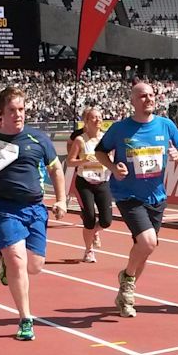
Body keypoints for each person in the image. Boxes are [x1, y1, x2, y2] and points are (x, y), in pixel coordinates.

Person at [0, 87, 67, 342]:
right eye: (12, 110)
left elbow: (56, 170)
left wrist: (61, 199)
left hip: (35, 208)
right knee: (17, 260)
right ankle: (25, 319)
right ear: (1, 113)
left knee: (35, 266)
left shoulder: (38, 139)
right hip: (4, 209)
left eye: (21, 109)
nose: (18, 114)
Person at [95, 81, 178, 318]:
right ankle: (127, 279)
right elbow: (100, 151)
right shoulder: (120, 128)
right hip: (128, 194)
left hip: (156, 195)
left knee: (145, 249)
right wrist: (113, 168)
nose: (148, 99)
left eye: (151, 95)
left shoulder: (166, 125)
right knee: (147, 242)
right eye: (143, 96)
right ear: (133, 101)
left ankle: (126, 293)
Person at [66, 106, 112, 263]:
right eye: (94, 117)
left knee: (106, 221)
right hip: (84, 182)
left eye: (100, 117)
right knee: (89, 218)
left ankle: (94, 232)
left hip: (102, 181)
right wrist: (84, 160)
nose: (98, 120)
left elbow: (111, 157)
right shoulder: (80, 140)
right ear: (86, 121)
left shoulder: (106, 139)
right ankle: (89, 250)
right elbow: (70, 162)